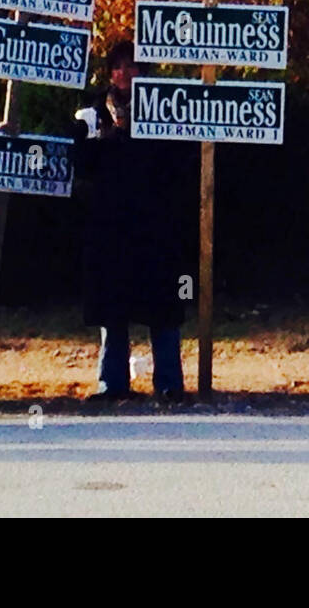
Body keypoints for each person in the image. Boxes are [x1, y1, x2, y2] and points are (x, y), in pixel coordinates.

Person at [73, 41, 190, 402]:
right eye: (118, 66)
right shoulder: (91, 115)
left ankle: (169, 384)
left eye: (132, 66)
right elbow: (81, 165)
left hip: (157, 226)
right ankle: (112, 384)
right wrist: (108, 139)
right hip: (109, 226)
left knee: (163, 307)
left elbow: (179, 165)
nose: (125, 73)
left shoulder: (166, 112)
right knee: (113, 306)